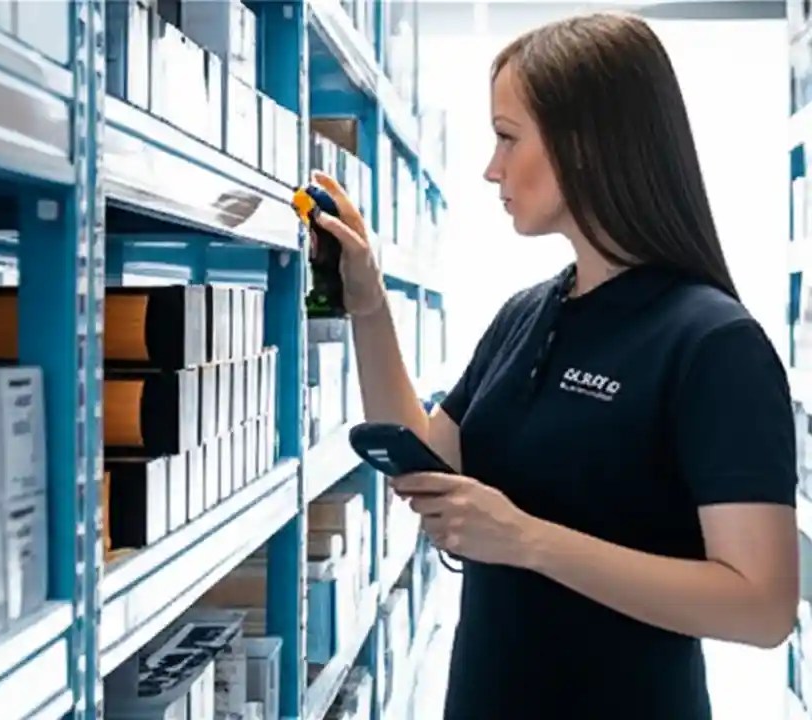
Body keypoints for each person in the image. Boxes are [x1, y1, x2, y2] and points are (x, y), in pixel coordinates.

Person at [310, 11, 800, 720]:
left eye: (507, 137)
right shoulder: (528, 314)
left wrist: (528, 541)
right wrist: (368, 303)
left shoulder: (713, 342)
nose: (492, 168)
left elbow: (762, 605)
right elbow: (426, 459)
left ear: (585, 146)